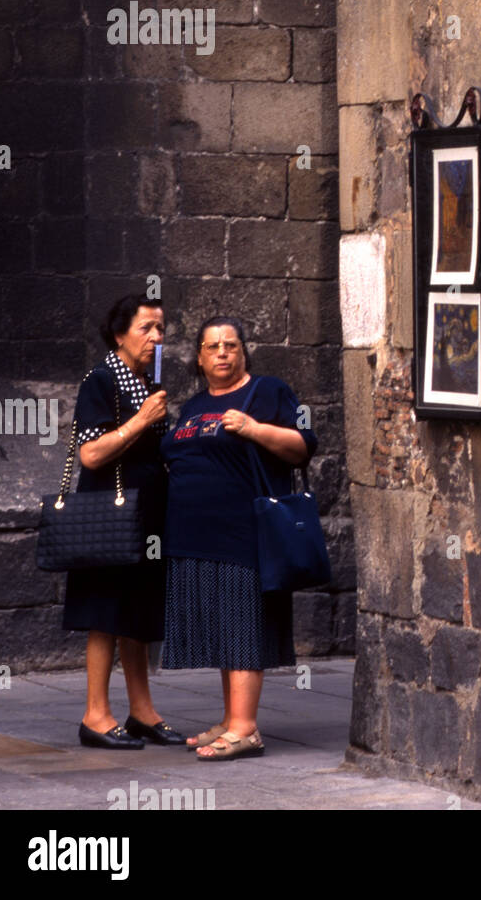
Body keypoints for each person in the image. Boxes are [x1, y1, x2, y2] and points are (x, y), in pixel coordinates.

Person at [161, 317, 318, 761]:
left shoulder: (269, 392)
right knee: (222, 626)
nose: (222, 353)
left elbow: (304, 445)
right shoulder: (194, 405)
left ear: (243, 351)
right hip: (195, 535)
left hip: (244, 534)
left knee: (244, 624)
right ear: (199, 357)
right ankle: (232, 719)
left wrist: (253, 428)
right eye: (212, 347)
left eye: (230, 345)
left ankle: (246, 729)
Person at [63, 294, 186, 749]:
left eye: (161, 329)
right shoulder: (101, 379)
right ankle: (95, 715)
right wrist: (141, 420)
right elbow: (91, 454)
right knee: (106, 611)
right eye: (146, 328)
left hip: (146, 511)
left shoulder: (146, 380)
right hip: (109, 511)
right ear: (120, 334)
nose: (156, 337)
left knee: (137, 608)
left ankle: (142, 711)